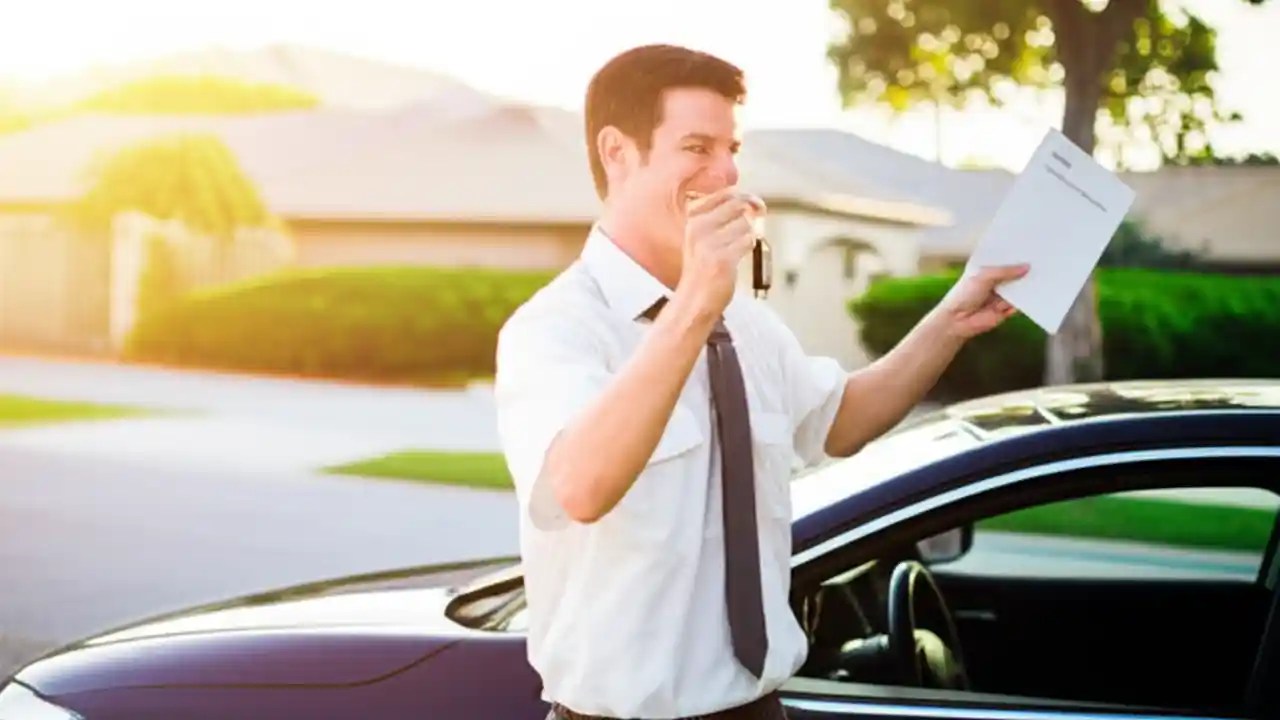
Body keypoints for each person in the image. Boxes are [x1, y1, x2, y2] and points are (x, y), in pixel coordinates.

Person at [494, 43, 1028, 720]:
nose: (724, 173)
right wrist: (696, 303)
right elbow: (581, 486)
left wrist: (953, 318)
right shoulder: (556, 329)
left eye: (730, 148)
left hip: (756, 708)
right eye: (696, 147)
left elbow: (844, 419)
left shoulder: (743, 321)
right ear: (617, 152)